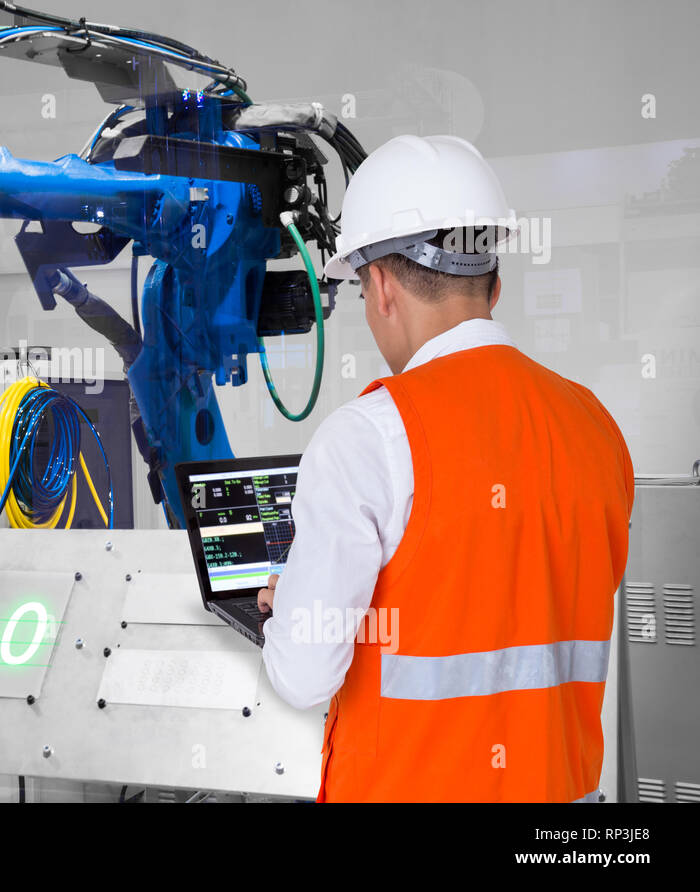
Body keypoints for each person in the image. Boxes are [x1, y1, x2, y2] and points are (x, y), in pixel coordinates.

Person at [258, 134, 633, 802]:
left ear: (379, 287)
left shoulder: (367, 439)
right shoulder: (597, 426)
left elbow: (303, 675)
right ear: (493, 281)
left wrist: (293, 605)